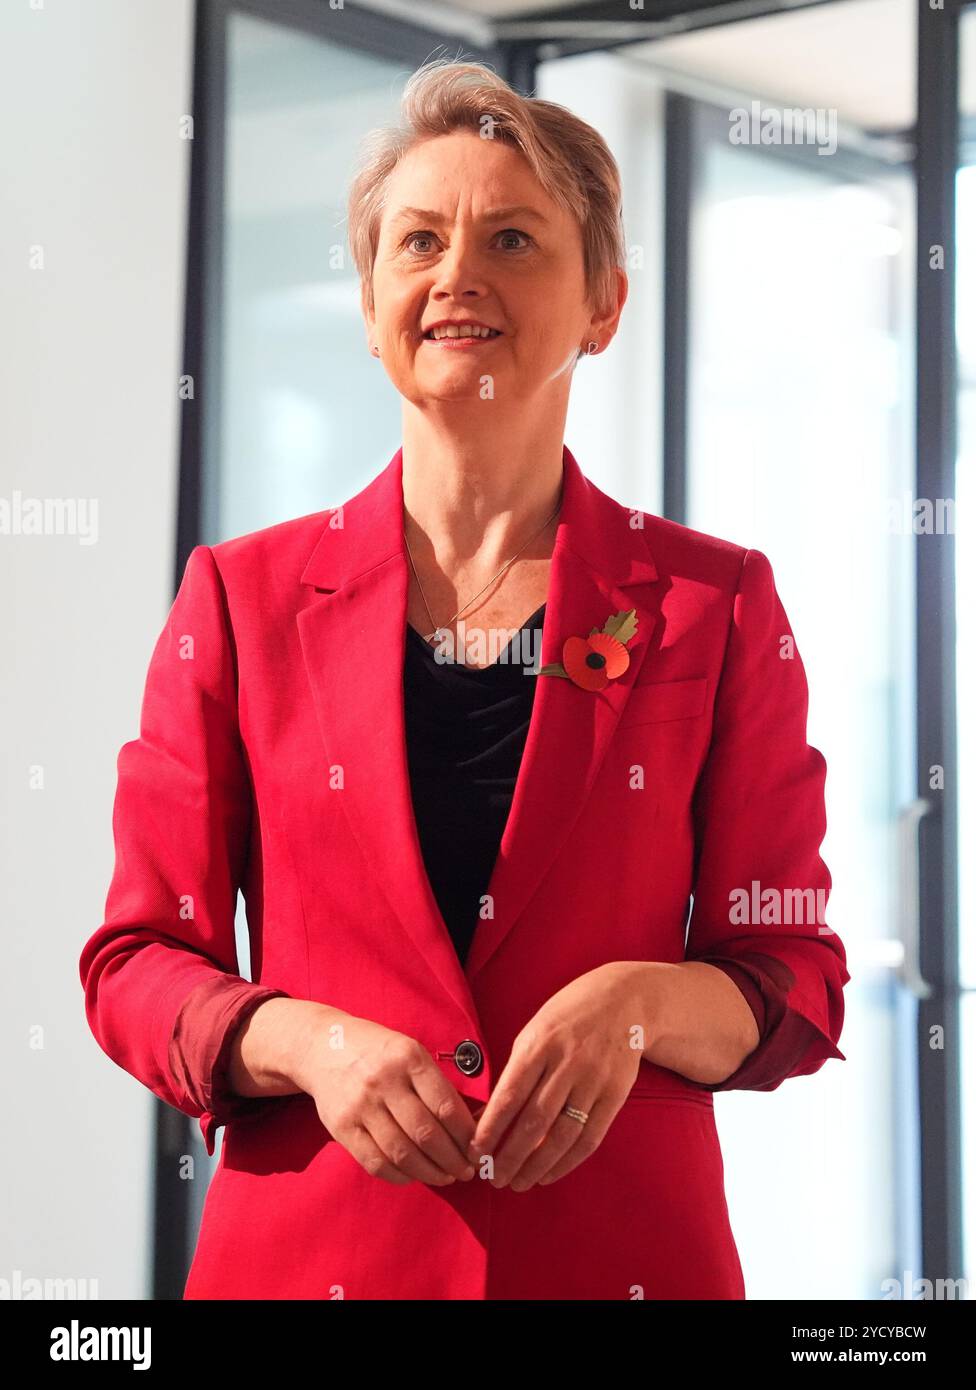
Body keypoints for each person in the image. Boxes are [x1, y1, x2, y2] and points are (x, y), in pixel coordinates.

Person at [79, 57, 848, 1300]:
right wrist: (311, 1042)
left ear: (605, 303)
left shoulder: (717, 603)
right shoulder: (238, 600)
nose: (455, 275)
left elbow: (796, 974)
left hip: (616, 1265)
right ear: (374, 300)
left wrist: (640, 1002)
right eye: (417, 241)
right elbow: (134, 961)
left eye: (511, 238)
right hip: (312, 1261)